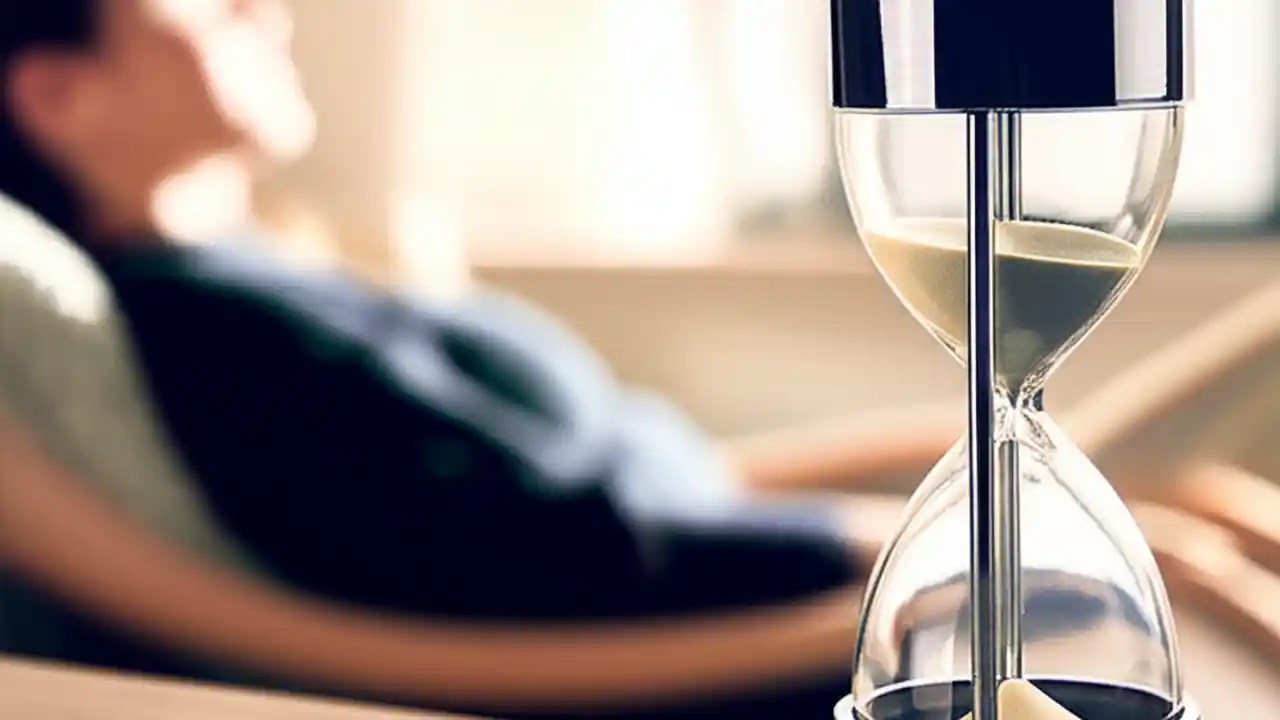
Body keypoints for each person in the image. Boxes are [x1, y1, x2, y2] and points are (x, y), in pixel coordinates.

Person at [0, 0, 954, 712]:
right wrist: (909, 598)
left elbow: (616, 486)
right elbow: (550, 557)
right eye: (199, 3)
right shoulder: (217, 332)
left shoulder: (264, 276)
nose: (264, 12)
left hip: (818, 579)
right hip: (764, 647)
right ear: (56, 96)